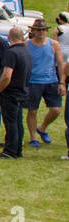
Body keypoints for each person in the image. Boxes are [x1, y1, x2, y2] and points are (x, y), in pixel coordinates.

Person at [25, 19, 65, 149]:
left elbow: (60, 64)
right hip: (33, 82)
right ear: (33, 31)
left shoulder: (53, 44)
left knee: (56, 110)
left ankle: (42, 128)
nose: (41, 32)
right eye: (38, 30)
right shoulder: (27, 45)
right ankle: (33, 138)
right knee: (32, 111)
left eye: (43, 30)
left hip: (51, 81)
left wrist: (62, 82)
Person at [0, 26, 31, 159]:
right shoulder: (26, 52)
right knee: (18, 121)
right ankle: (17, 150)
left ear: (9, 38)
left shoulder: (12, 53)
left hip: (10, 93)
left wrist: (0, 88)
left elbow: (6, 75)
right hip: (22, 91)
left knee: (10, 122)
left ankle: (10, 150)